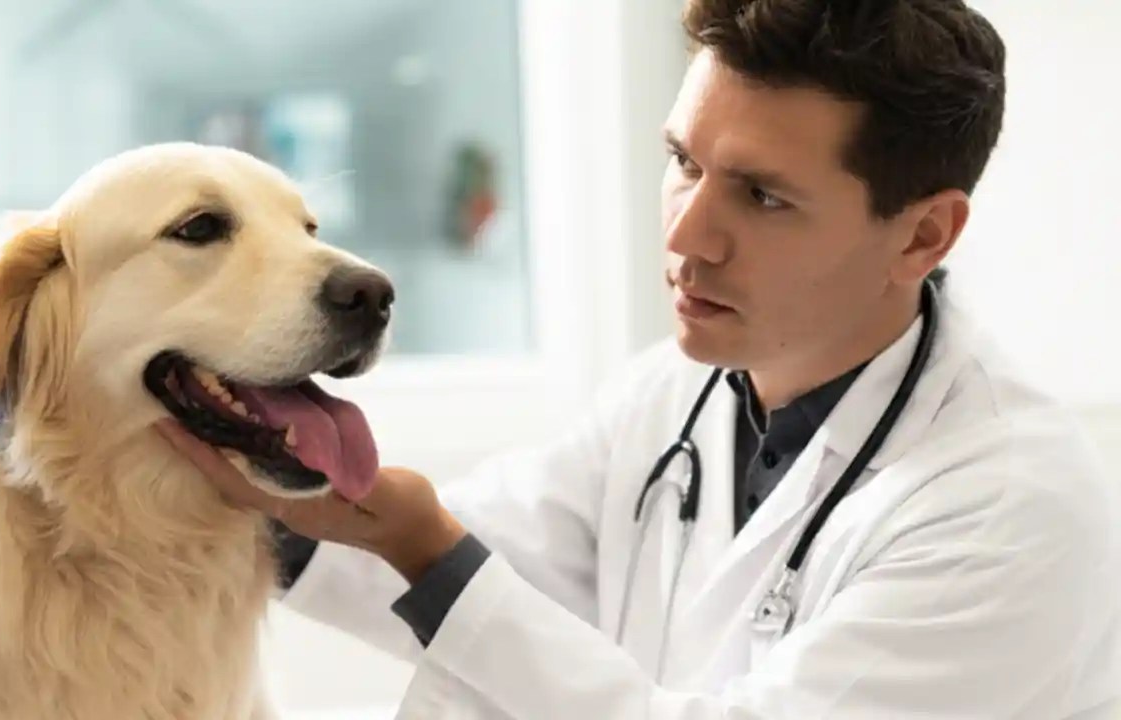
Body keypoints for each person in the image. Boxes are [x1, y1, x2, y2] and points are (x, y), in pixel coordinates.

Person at [157, 1, 1121, 717]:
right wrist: (239, 494)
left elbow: (446, 563)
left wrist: (422, 549)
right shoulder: (679, 394)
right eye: (685, 163)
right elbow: (497, 554)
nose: (689, 235)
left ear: (923, 237)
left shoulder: (1007, 504)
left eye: (764, 197)